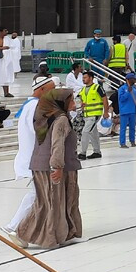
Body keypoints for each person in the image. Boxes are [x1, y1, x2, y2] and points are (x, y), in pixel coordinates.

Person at [16, 88, 82, 248]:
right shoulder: (61, 120)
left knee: (49, 201)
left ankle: (62, 233)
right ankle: (27, 233)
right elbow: (57, 144)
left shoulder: (46, 117)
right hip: (53, 167)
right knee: (52, 202)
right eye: (71, 101)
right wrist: (57, 166)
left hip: (39, 165)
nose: (74, 104)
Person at [0, 76, 57, 246]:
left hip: (33, 158)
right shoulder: (36, 107)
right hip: (35, 160)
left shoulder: (30, 105)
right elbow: (42, 133)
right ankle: (14, 226)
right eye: (51, 89)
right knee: (38, 194)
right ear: (41, 90)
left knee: (40, 194)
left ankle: (29, 229)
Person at [76, 71, 109, 160]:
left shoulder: (97, 87)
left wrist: (106, 112)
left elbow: (105, 100)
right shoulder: (83, 89)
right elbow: (78, 99)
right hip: (86, 115)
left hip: (94, 115)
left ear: (91, 78)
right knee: (93, 134)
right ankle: (97, 152)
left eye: (85, 77)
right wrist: (80, 104)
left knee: (85, 132)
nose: (83, 79)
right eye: (83, 78)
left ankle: (82, 153)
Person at [117, 73, 136, 148]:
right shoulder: (122, 88)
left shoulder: (134, 89)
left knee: (132, 127)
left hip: (133, 110)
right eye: (134, 79)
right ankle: (122, 143)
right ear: (129, 79)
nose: (135, 80)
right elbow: (121, 99)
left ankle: (132, 140)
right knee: (123, 128)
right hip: (124, 111)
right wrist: (127, 92)